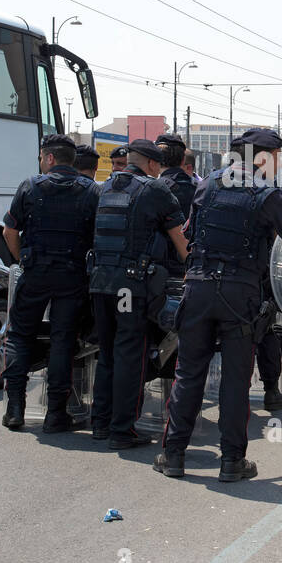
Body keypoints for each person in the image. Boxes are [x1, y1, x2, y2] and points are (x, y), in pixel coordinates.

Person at [156, 128, 282, 482]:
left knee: (188, 373)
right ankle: (231, 462)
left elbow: (188, 235)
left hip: (198, 289)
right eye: (277, 156)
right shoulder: (269, 194)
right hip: (239, 296)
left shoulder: (207, 185)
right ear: (264, 156)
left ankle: (173, 456)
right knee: (235, 380)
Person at [88, 139, 188, 449]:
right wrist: (193, 269)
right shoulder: (154, 189)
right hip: (129, 287)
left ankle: (100, 423)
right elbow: (180, 239)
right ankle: (122, 431)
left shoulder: (104, 189)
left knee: (106, 353)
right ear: (154, 164)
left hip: (99, 282)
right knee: (131, 354)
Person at [0, 134, 101, 431]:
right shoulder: (91, 190)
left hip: (35, 273)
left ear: (50, 158)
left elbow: (9, 232)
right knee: (63, 341)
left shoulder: (29, 186)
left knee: (19, 336)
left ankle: (15, 408)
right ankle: (56, 414)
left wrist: (23, 262)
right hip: (72, 277)